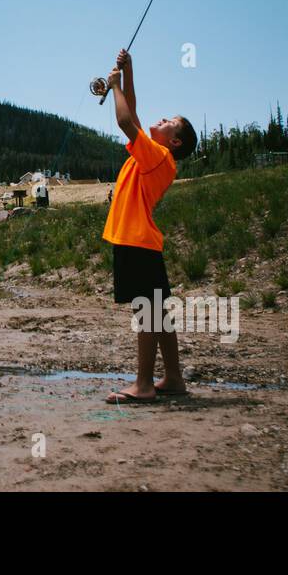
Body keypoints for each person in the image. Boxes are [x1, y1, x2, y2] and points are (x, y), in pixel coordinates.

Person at [99, 48, 197, 403]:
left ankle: (142, 385)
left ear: (175, 141)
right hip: (141, 241)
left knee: (147, 311)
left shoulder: (158, 156)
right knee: (158, 308)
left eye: (171, 120)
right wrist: (128, 73)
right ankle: (173, 378)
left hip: (135, 240)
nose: (164, 118)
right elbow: (136, 117)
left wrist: (114, 87)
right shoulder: (153, 154)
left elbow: (126, 121)